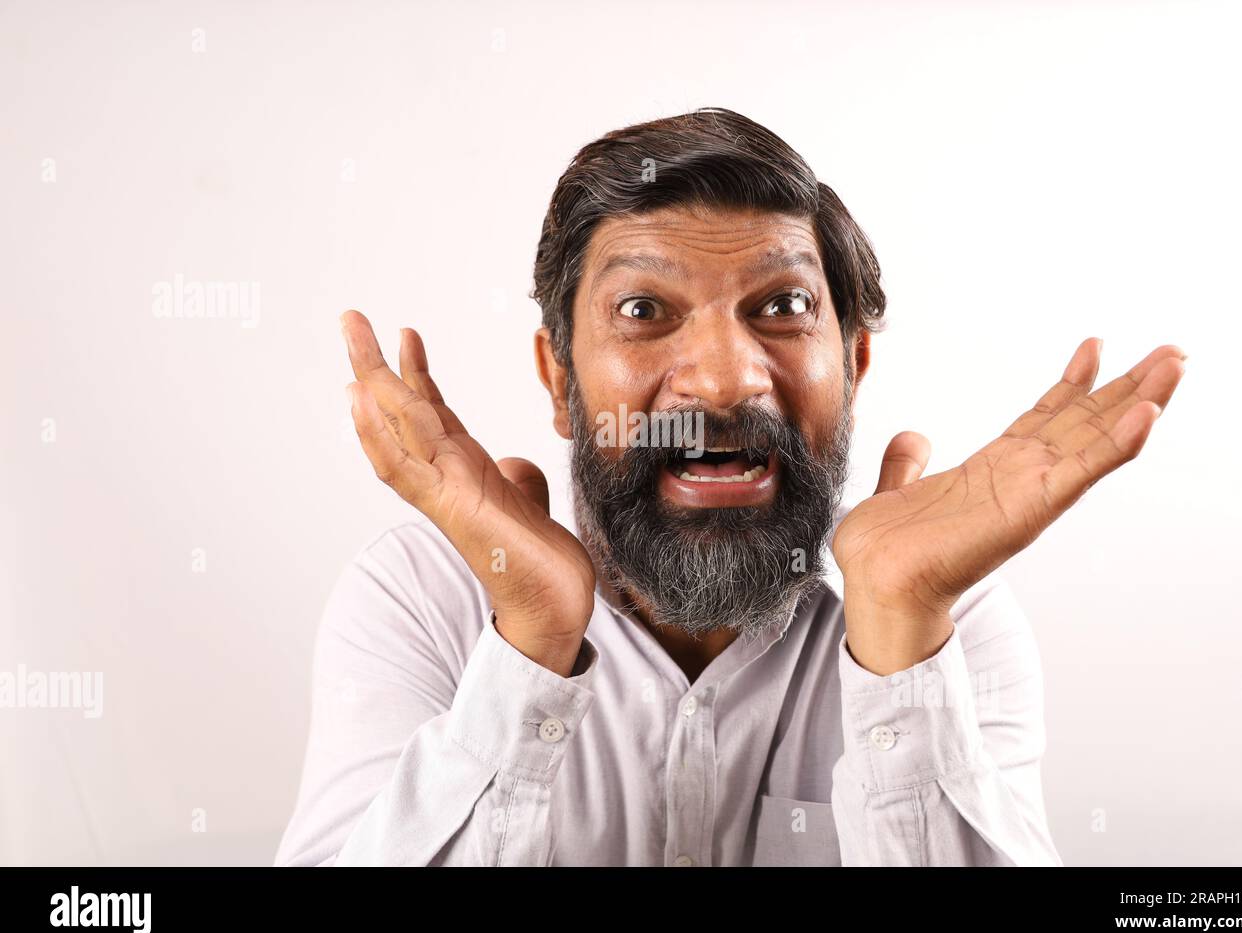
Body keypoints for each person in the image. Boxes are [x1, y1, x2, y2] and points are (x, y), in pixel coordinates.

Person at [275, 107, 1185, 866]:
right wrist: (530, 644)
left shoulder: (952, 623)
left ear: (854, 368)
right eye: (644, 311)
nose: (719, 381)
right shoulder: (422, 599)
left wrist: (902, 642)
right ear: (560, 380)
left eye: (782, 307)